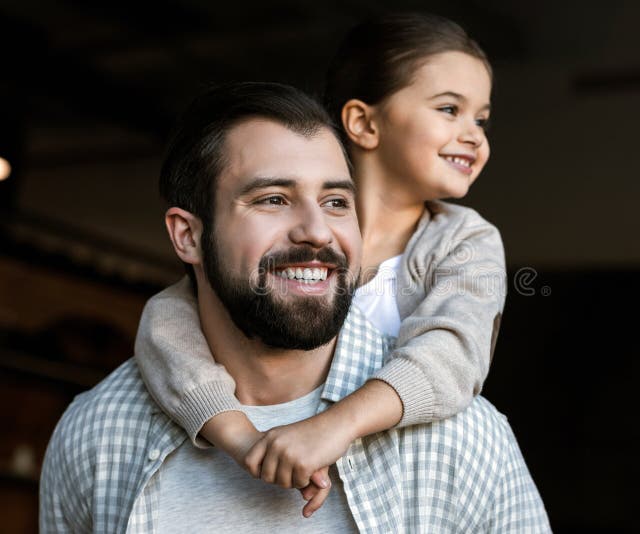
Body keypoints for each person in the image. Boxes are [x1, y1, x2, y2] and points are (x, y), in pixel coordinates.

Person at [39, 81, 551, 533]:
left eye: (336, 202)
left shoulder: (464, 440)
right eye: (273, 199)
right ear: (188, 236)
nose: (317, 231)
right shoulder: (97, 433)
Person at [133, 12, 510, 516]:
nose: (474, 135)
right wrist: (240, 437)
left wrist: (334, 426)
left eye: (481, 120)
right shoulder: (299, 239)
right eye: (449, 109)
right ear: (364, 123)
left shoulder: (466, 242)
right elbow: (166, 323)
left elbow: (454, 353)